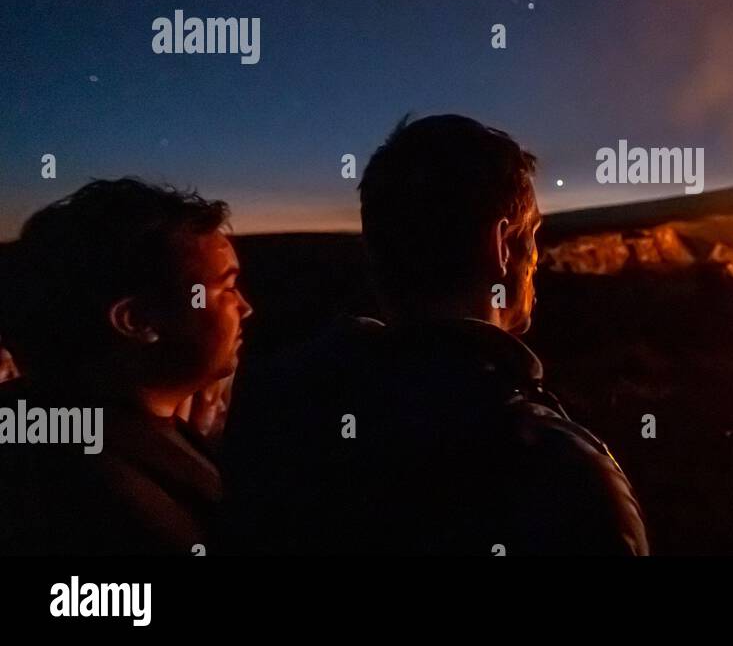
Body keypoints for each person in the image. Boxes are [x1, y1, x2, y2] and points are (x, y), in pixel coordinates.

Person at [222, 114, 648, 555]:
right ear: (500, 246)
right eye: (534, 235)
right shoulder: (560, 473)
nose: (538, 258)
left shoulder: (273, 415)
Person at [0, 179, 253, 554]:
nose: (246, 308)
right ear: (136, 320)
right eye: (226, 289)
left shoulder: (56, 422)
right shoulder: (103, 497)